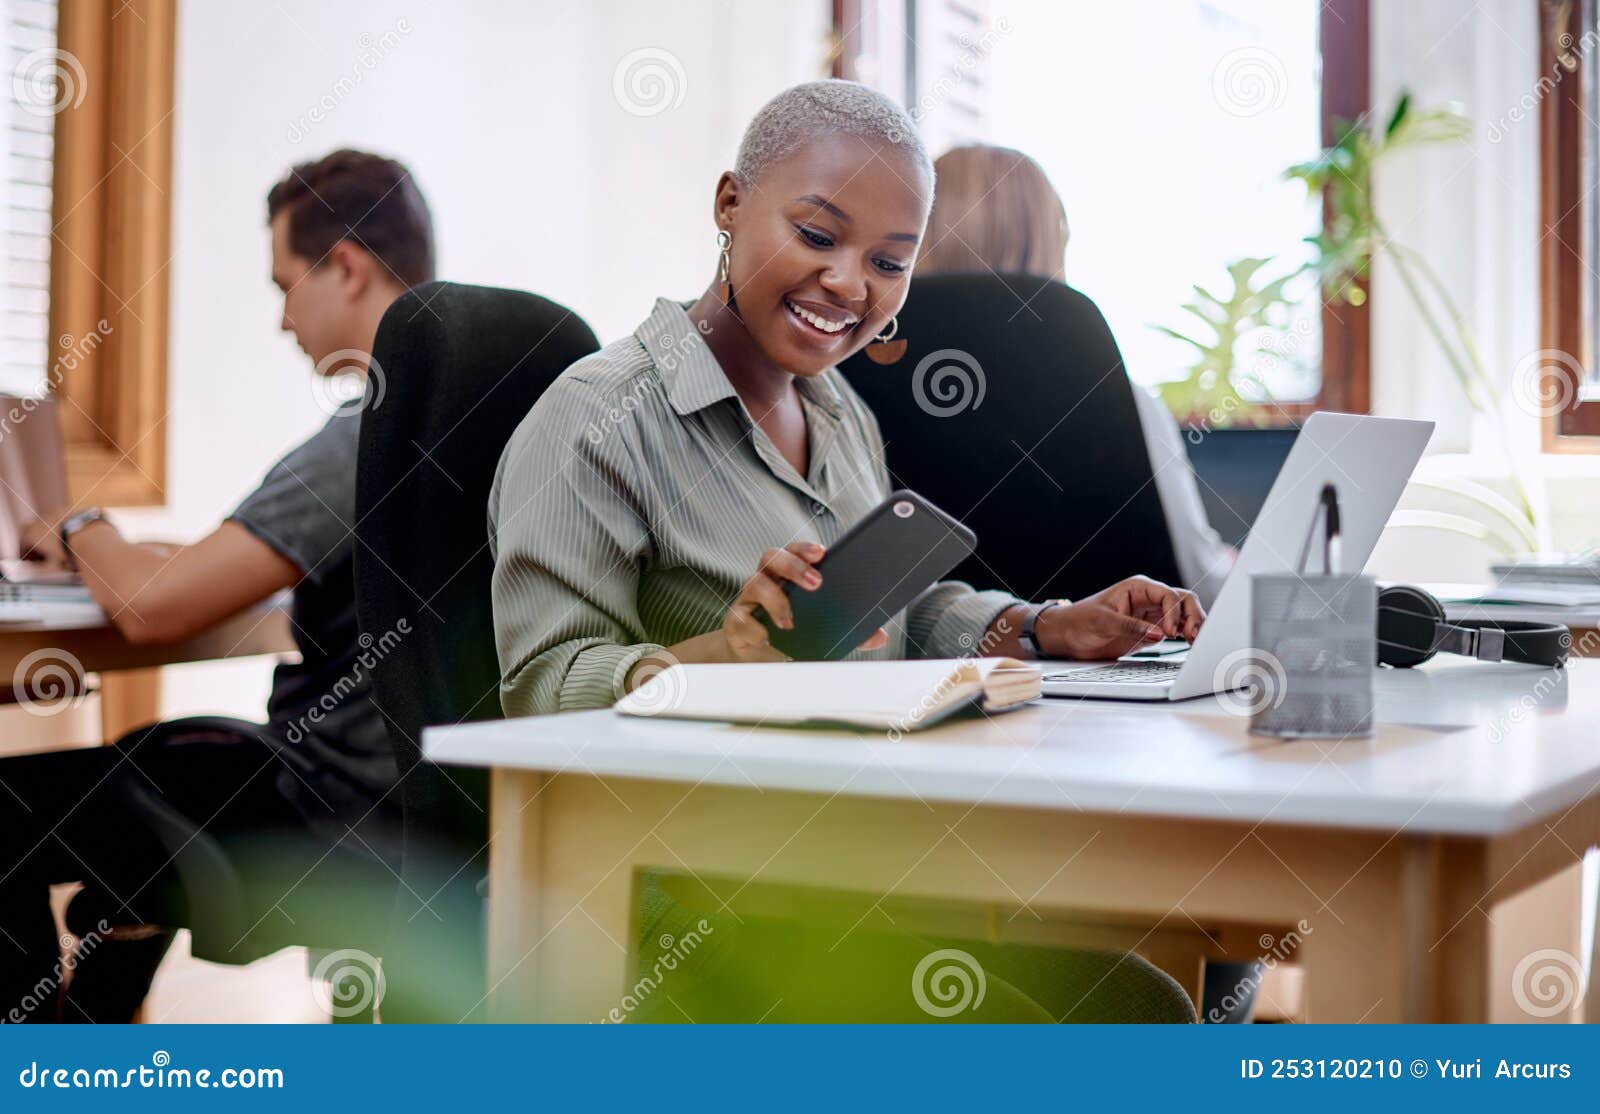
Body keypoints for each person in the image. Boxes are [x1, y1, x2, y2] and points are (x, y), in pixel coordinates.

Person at [489, 80, 1200, 1022]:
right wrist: (724, 658)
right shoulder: (600, 416)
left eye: (890, 261)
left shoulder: (834, 407)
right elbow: (539, 689)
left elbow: (896, 610)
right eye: (819, 237)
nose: (851, 285)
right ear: (730, 205)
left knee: (1139, 1006)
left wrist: (1041, 627)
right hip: (688, 906)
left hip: (852, 866)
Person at [0, 149, 432, 1022]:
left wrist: (81, 526)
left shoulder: (365, 433)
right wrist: (155, 552)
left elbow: (155, 612)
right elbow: (230, 568)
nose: (283, 321)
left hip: (316, 805)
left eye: (285, 285)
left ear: (345, 266)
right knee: (144, 794)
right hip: (413, 804)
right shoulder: (456, 413)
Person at [919, 144, 1234, 607]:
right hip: (1111, 666)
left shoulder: (855, 381)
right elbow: (1199, 587)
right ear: (1053, 239)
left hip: (924, 666)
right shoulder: (1122, 402)